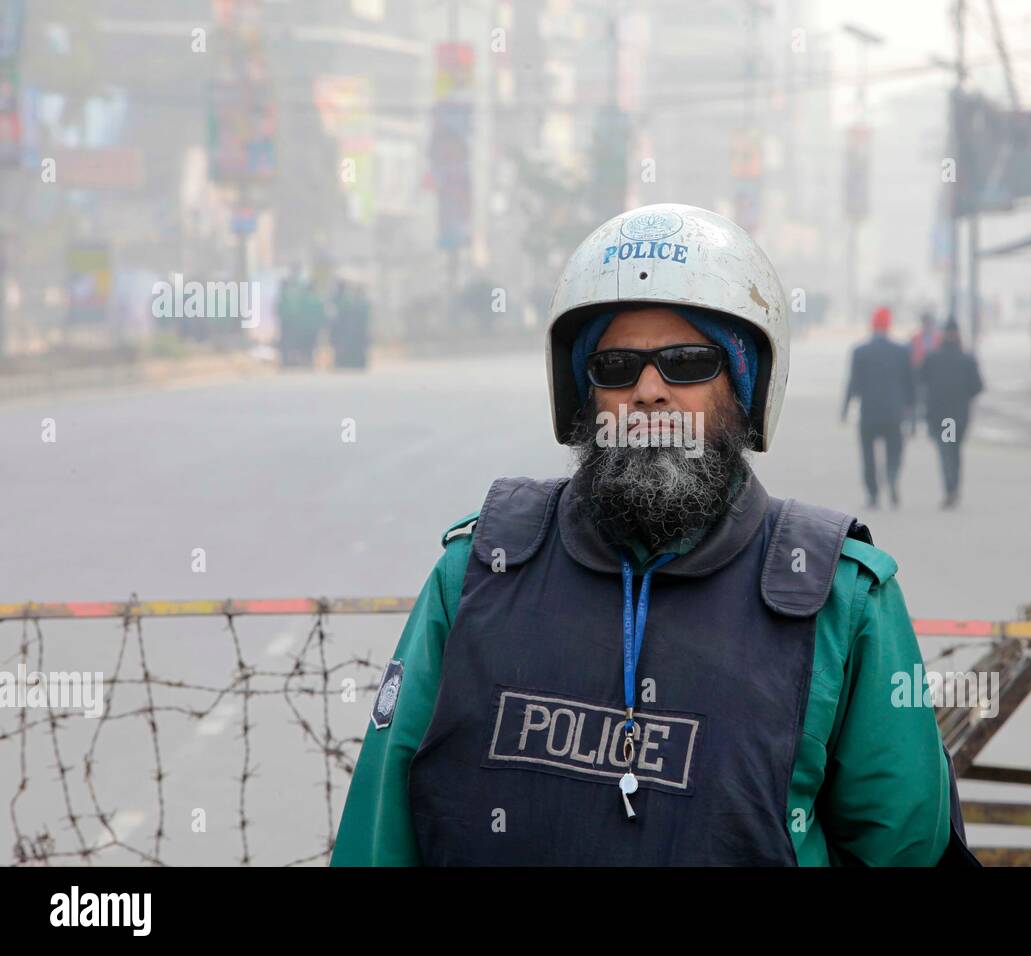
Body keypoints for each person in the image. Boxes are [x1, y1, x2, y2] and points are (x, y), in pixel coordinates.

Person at [330, 203, 978, 867]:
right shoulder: (480, 571)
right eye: (615, 368)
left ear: (743, 387)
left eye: (688, 363)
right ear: (585, 396)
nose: (648, 392)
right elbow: (380, 834)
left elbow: (903, 847)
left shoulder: (841, 599)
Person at [841, 306, 914, 510]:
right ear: (888, 325)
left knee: (868, 455)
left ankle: (873, 494)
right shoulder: (901, 351)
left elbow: (853, 383)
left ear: (872, 325)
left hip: (869, 414)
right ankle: (891, 477)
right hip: (893, 413)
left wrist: (845, 409)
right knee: (895, 451)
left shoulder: (860, 351)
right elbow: (910, 384)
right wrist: (913, 413)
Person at [919, 317, 984, 509]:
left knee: (946, 453)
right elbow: (978, 386)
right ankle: (953, 488)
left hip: (940, 415)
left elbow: (921, 381)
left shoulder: (932, 358)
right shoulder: (966, 359)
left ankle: (951, 489)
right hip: (958, 415)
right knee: (954, 451)